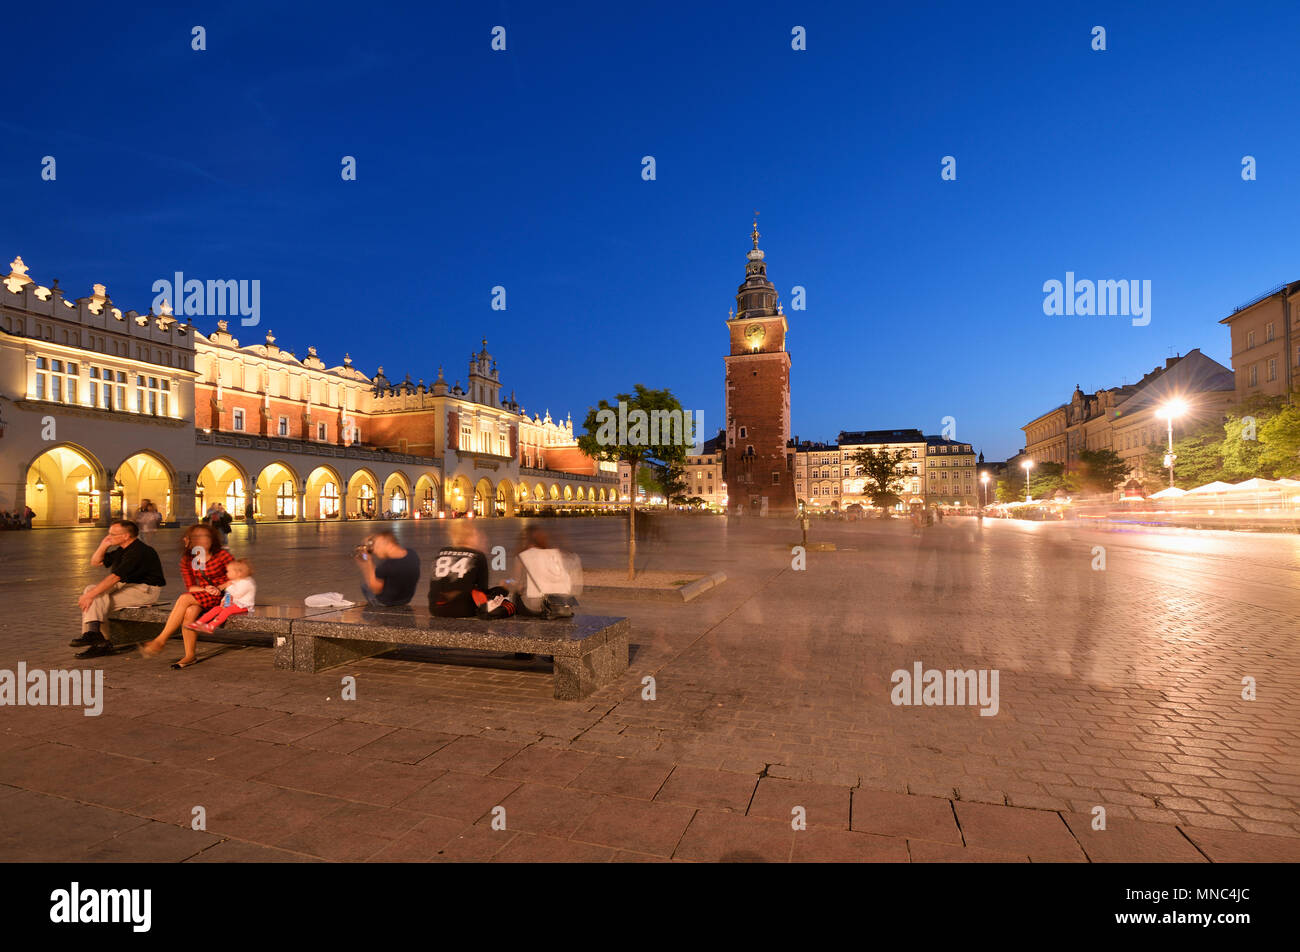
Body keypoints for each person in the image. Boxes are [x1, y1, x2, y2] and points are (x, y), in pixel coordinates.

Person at [139, 524, 233, 668]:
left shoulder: (223, 556)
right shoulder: (188, 560)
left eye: (205, 536)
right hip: (205, 596)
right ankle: (190, 655)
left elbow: (239, 578)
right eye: (197, 537)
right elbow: (191, 587)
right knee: (189, 611)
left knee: (184, 598)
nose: (202, 540)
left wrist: (218, 588)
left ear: (212, 539)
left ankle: (161, 639)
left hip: (224, 597)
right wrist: (206, 589)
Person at [70, 520, 166, 658]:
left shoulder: (139, 551)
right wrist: (103, 545)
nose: (109, 537)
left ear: (126, 536)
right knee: (92, 592)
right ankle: (94, 635)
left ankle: (97, 639)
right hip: (127, 586)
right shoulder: (123, 549)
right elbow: (95, 562)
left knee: (95, 599)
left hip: (145, 590)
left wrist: (89, 596)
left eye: (113, 534)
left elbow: (115, 577)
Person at [428, 521, 489, 617]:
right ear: (471, 536)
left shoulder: (441, 552)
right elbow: (483, 589)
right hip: (464, 610)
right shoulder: (478, 555)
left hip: (435, 608)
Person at [186, 559, 256, 633]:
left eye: (229, 571)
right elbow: (228, 594)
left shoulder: (247, 583)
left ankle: (211, 626)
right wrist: (223, 601)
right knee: (216, 609)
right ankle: (199, 623)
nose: (227, 573)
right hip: (234, 605)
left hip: (244, 607)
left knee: (227, 611)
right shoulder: (234, 582)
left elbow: (237, 594)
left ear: (238, 573)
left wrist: (228, 587)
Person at [355, 530, 420, 607]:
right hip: (406, 599)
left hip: (387, 603)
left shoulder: (385, 566)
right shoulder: (412, 553)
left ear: (386, 544)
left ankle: (373, 612)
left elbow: (375, 590)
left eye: (376, 547)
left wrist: (368, 562)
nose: (374, 551)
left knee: (365, 586)